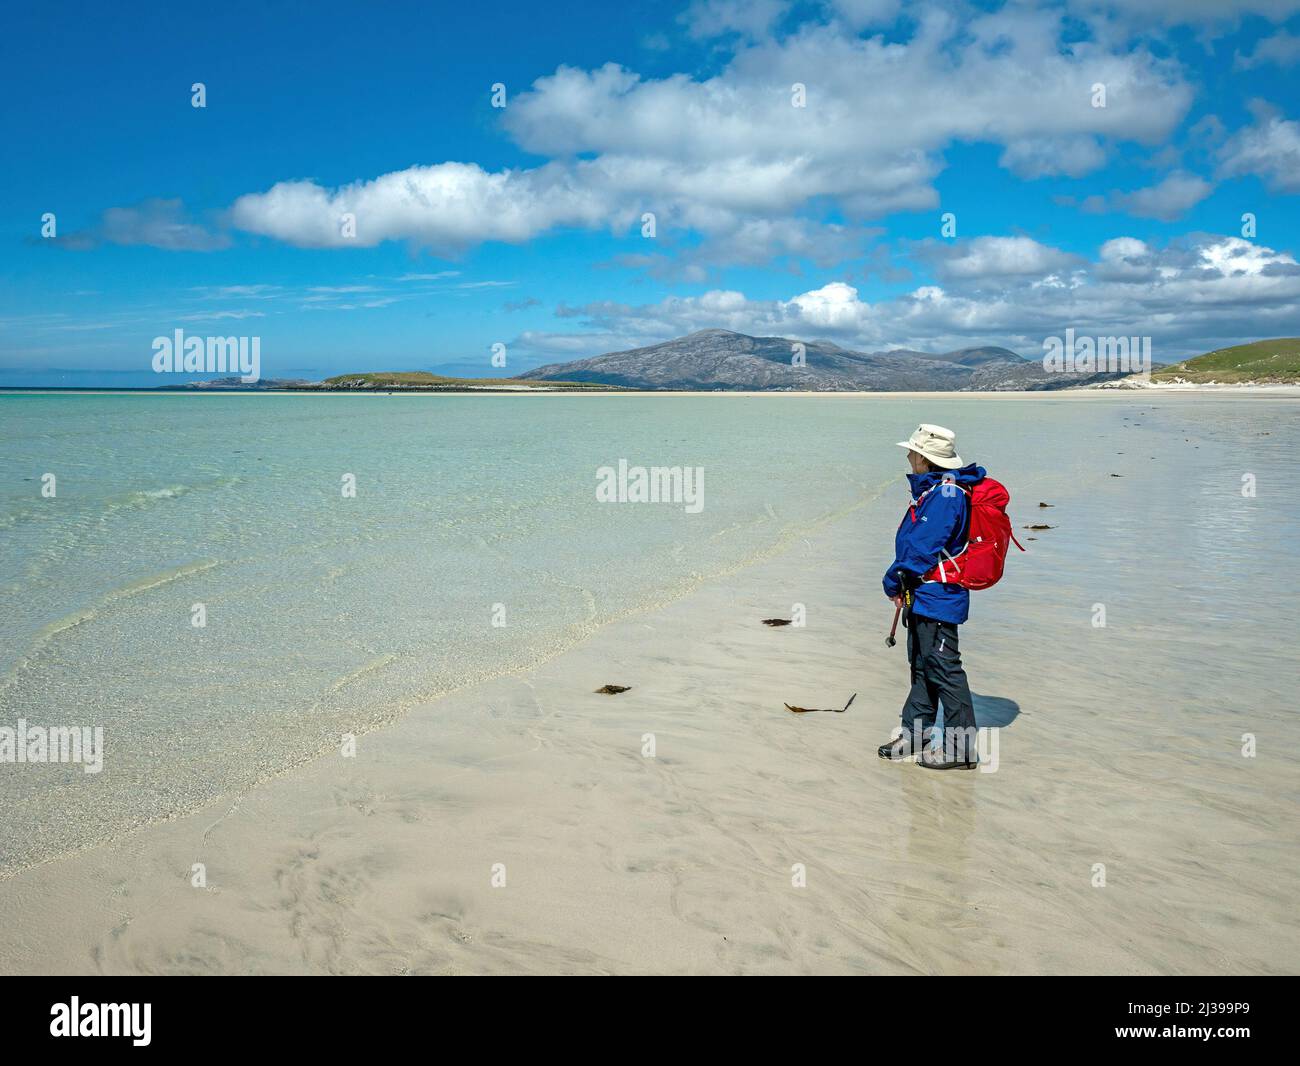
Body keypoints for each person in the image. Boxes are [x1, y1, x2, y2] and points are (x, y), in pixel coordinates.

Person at [878, 424, 983, 770]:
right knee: (922, 665)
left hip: (938, 596)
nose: (908, 456)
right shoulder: (936, 491)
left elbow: (922, 549)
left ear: (924, 458)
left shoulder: (947, 496)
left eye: (911, 452)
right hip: (923, 595)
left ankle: (961, 748)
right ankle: (916, 733)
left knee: (945, 669)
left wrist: (893, 580)